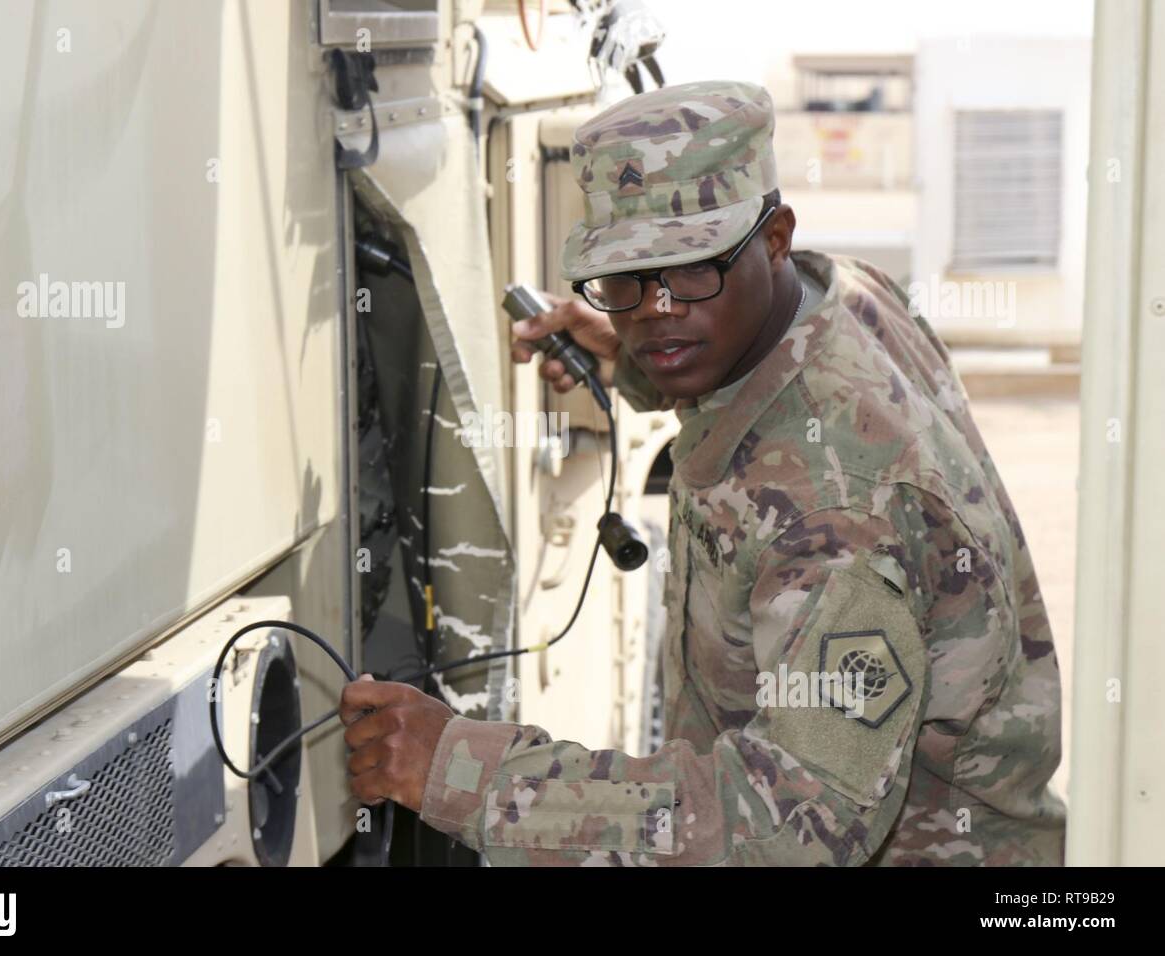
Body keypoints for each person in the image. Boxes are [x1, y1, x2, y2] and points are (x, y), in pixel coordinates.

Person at [339, 80, 1066, 865]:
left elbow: (785, 829)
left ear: (776, 237)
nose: (655, 309)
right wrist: (636, 357)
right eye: (622, 278)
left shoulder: (837, 515)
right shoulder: (844, 293)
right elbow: (759, 356)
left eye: (691, 269)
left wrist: (460, 773)